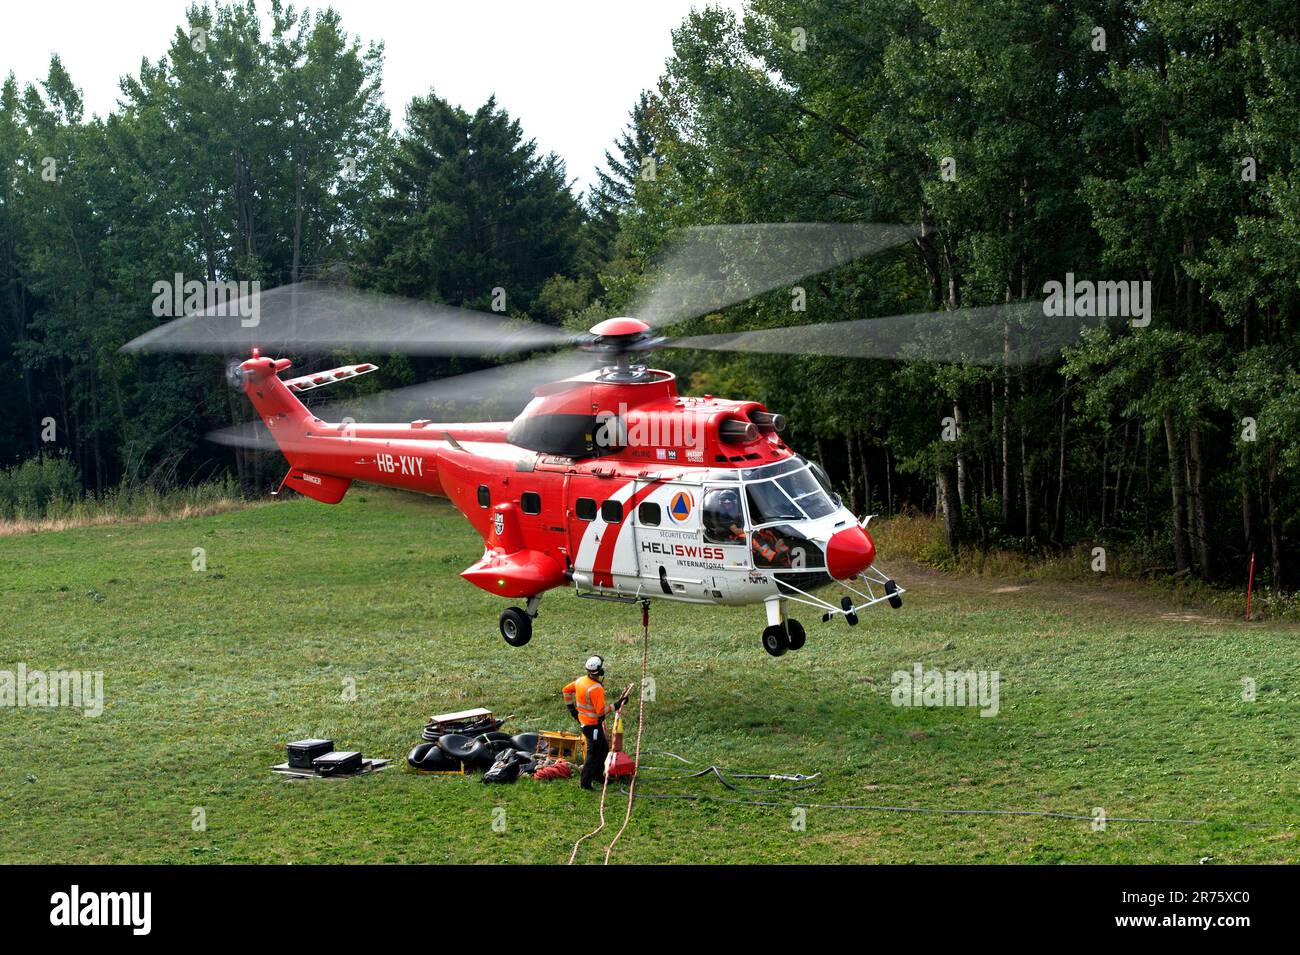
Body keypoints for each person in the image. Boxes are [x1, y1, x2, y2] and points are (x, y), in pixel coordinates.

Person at [562, 655, 628, 790]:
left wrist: (572, 709)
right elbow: (600, 711)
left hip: (586, 723)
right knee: (592, 755)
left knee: (603, 748)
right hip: (593, 726)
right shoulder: (596, 689)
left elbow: (566, 690)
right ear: (599, 671)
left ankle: (598, 776)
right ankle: (585, 783)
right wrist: (617, 705)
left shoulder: (581, 680)